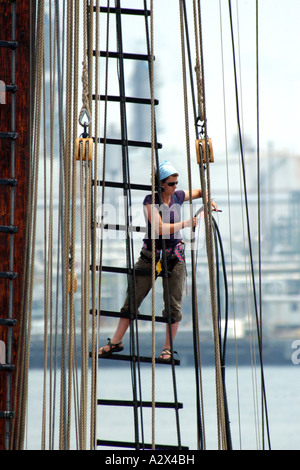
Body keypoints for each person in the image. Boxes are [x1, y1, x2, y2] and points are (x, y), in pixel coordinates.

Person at [99, 160, 218, 361]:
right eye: (171, 184)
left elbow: (199, 191)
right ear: (161, 183)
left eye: (176, 183)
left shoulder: (178, 196)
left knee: (173, 306)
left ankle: (167, 348)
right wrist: (186, 223)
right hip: (151, 256)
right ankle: (116, 342)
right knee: (132, 300)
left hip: (175, 256)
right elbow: (159, 228)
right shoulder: (150, 201)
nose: (175, 187)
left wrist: (209, 200)